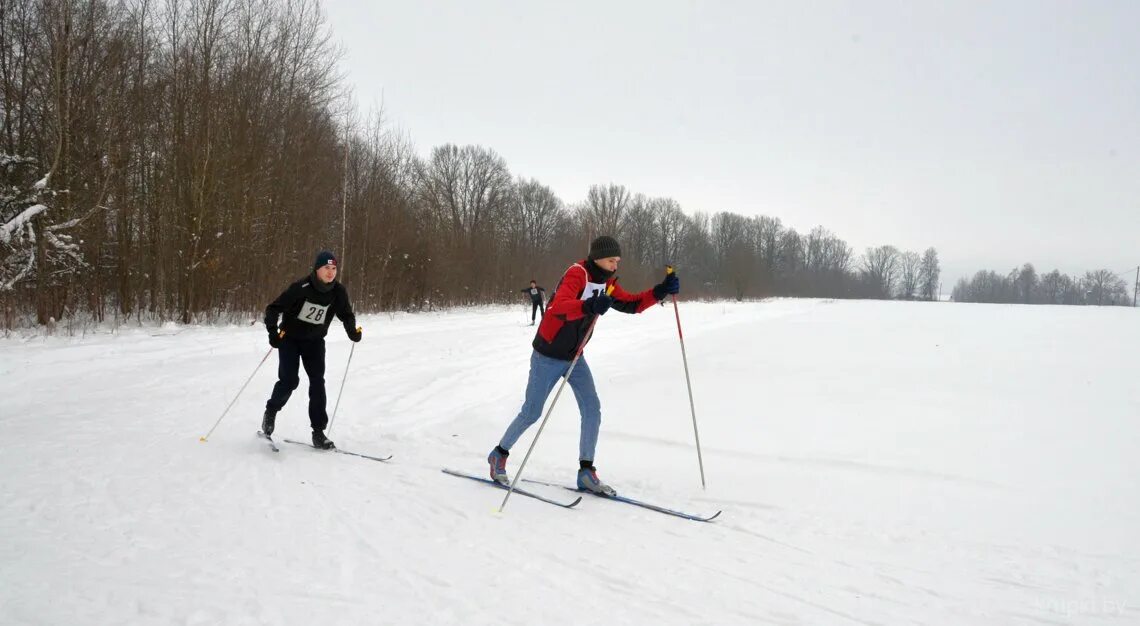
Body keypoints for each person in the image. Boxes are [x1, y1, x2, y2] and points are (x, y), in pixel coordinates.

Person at [487, 235, 680, 494]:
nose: (615, 265)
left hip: (575, 356)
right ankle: (499, 454)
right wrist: (588, 305)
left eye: (617, 261)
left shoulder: (608, 282)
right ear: (598, 257)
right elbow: (558, 307)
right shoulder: (577, 273)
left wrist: (660, 291)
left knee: (592, 409)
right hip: (548, 354)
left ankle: (586, 472)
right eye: (612, 260)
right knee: (532, 412)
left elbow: (631, 305)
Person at [261, 250, 362, 449]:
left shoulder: (338, 292)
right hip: (290, 339)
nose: (331, 272)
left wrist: (352, 331)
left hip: (315, 342)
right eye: (326, 268)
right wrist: (273, 333)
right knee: (290, 381)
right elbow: (273, 309)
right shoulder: (301, 288)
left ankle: (318, 432)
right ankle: (271, 410)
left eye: (334, 268)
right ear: (317, 269)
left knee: (317, 382)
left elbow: (346, 314)